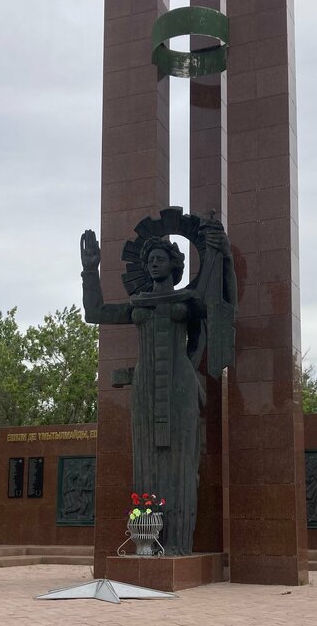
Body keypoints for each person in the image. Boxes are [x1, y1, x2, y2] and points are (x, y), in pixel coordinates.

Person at [80, 220, 236, 555]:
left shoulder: (190, 299)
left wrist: (223, 257)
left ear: (175, 265)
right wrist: (90, 271)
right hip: (145, 388)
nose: (153, 262)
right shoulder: (139, 302)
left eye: (160, 257)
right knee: (145, 462)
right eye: (149, 257)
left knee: (182, 464)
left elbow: (224, 303)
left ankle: (179, 544)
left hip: (180, 385)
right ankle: (146, 542)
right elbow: (95, 312)